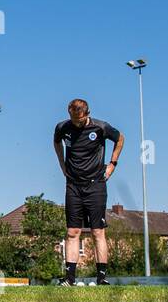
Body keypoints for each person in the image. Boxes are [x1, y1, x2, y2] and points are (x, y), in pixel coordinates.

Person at [53, 98, 124, 285]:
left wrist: (112, 164)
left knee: (97, 232)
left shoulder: (100, 127)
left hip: (96, 185)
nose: (76, 123)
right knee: (72, 232)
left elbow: (120, 138)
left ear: (87, 114)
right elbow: (56, 142)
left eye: (80, 120)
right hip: (73, 185)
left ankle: (102, 278)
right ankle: (69, 279)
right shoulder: (62, 127)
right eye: (73, 119)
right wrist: (62, 164)